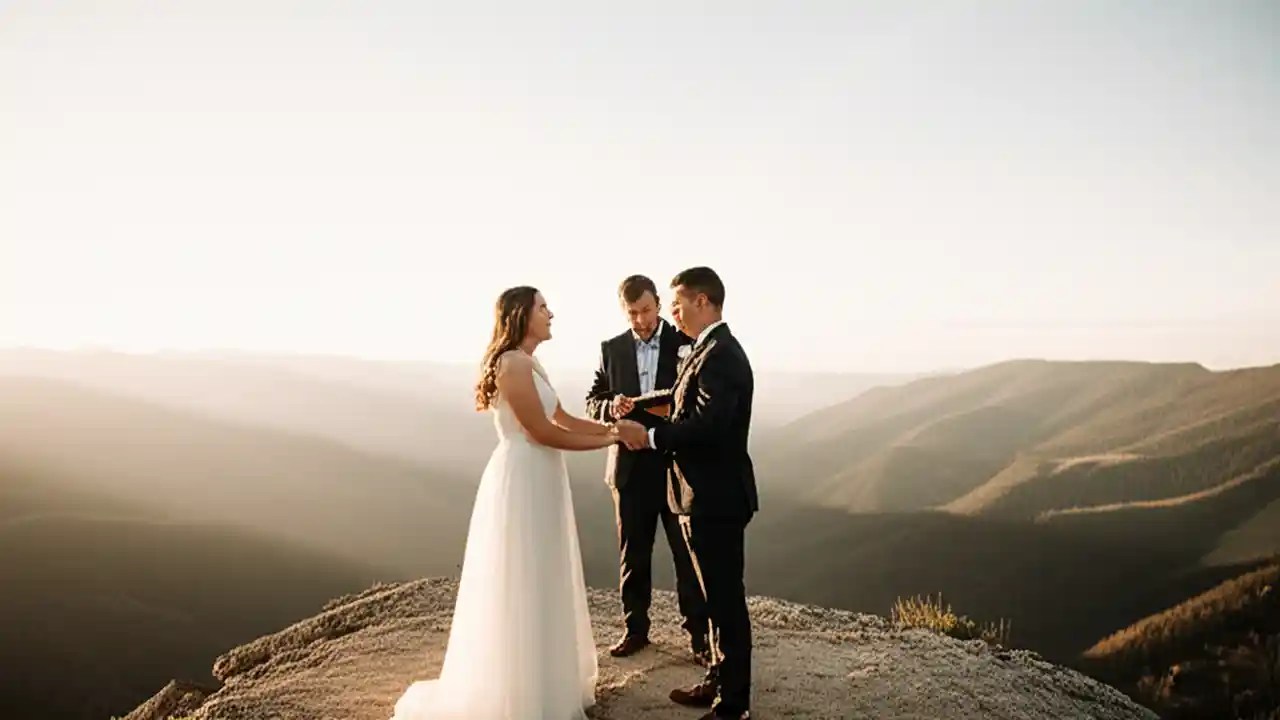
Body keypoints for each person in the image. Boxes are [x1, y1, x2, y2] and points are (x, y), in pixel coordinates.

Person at [390, 286, 644, 720]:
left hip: (543, 475)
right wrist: (611, 438)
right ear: (521, 315)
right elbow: (540, 433)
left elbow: (562, 418)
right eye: (543, 307)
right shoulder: (510, 364)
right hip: (523, 476)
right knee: (521, 575)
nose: (551, 314)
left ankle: (543, 683)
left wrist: (614, 428)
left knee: (543, 572)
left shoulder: (533, 363)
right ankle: (518, 694)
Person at [615, 266, 759, 720]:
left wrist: (651, 438)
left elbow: (707, 427)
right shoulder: (707, 348)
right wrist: (634, 405)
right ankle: (719, 679)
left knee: (725, 602)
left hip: (716, 498)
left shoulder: (723, 356)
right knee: (714, 597)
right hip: (700, 496)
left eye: (676, 305)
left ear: (702, 302)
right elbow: (678, 397)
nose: (672, 315)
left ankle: (733, 706)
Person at [585, 274, 710, 664]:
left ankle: (699, 637)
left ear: (659, 304)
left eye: (646, 310)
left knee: (686, 556)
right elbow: (593, 401)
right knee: (633, 553)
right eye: (632, 313)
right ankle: (635, 629)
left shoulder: (685, 343)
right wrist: (611, 408)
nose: (640, 320)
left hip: (676, 468)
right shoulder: (611, 349)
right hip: (629, 469)